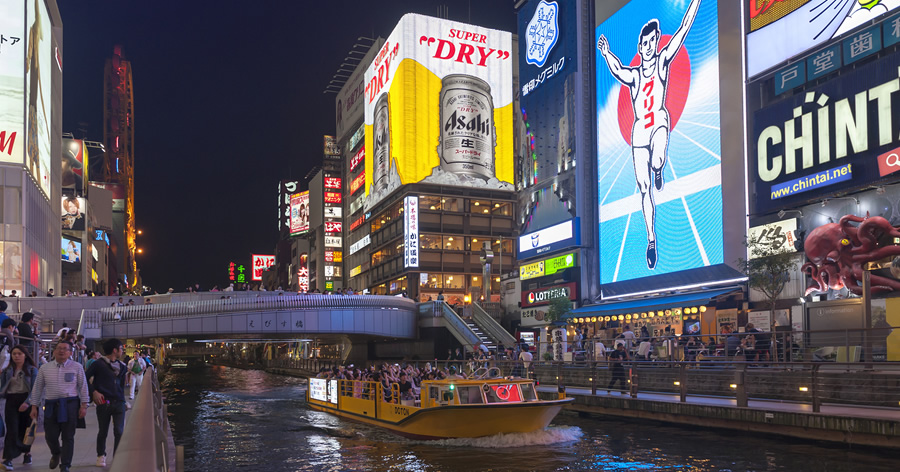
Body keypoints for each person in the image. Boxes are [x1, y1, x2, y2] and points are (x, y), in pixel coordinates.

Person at [596, 0, 702, 268]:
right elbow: (618, 69)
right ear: (640, 46)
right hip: (639, 131)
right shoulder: (634, 76)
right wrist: (607, 53)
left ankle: (659, 168)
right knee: (644, 189)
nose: (651, 45)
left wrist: (695, 3)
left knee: (657, 159)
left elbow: (684, 29)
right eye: (646, 43)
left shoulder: (662, 62)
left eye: (654, 41)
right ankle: (651, 238)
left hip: (659, 120)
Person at [28, 342, 89, 472]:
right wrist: (34, 406)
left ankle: (65, 464)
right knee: (50, 436)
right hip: (51, 405)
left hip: (70, 404)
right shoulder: (45, 368)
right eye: (59, 349)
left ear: (70, 353)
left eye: (65, 349)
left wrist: (84, 405)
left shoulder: (77, 367)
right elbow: (37, 388)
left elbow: (83, 387)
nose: (62, 351)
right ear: (54, 351)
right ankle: (56, 452)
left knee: (68, 436)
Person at [85, 338, 128, 467]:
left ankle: (117, 457)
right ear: (115, 350)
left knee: (119, 431)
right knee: (103, 430)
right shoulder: (98, 364)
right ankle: (101, 455)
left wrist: (124, 401)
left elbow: (121, 386)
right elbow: (84, 379)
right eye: (121, 348)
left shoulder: (122, 367)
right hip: (104, 402)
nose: (122, 351)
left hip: (119, 402)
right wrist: (94, 392)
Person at [0, 345, 38, 468]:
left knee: (26, 429)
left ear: (25, 355)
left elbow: (35, 389)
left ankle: (27, 452)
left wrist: (28, 402)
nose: (16, 356)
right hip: (12, 400)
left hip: (26, 400)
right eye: (14, 354)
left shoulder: (32, 370)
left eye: (19, 354)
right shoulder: (7, 370)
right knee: (12, 429)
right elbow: (3, 387)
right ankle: (8, 458)